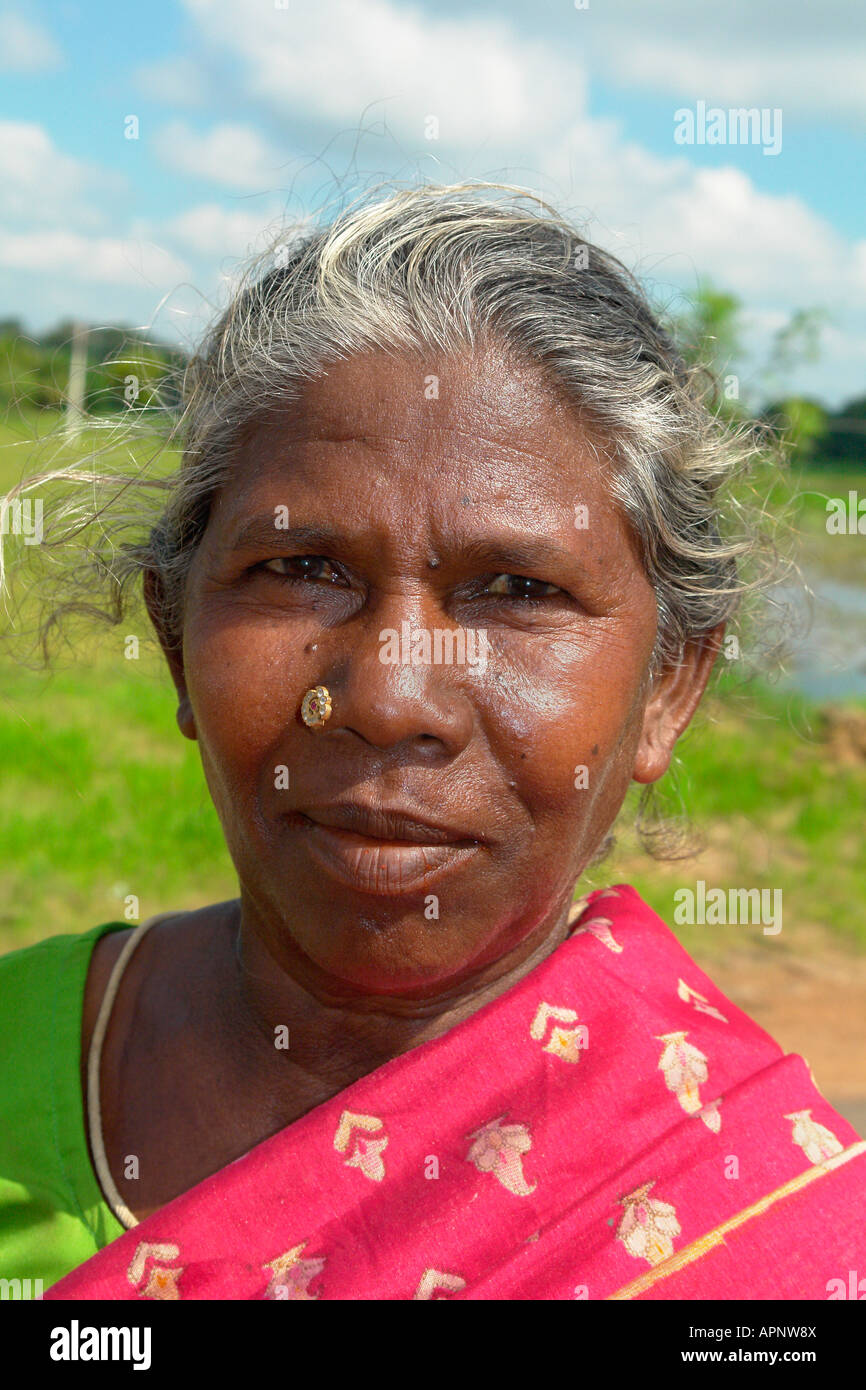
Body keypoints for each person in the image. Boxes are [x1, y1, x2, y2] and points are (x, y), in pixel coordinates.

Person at [1, 184, 863, 1301]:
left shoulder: (761, 1230)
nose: (390, 696)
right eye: (302, 569)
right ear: (175, 640)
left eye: (516, 589)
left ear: (667, 689)